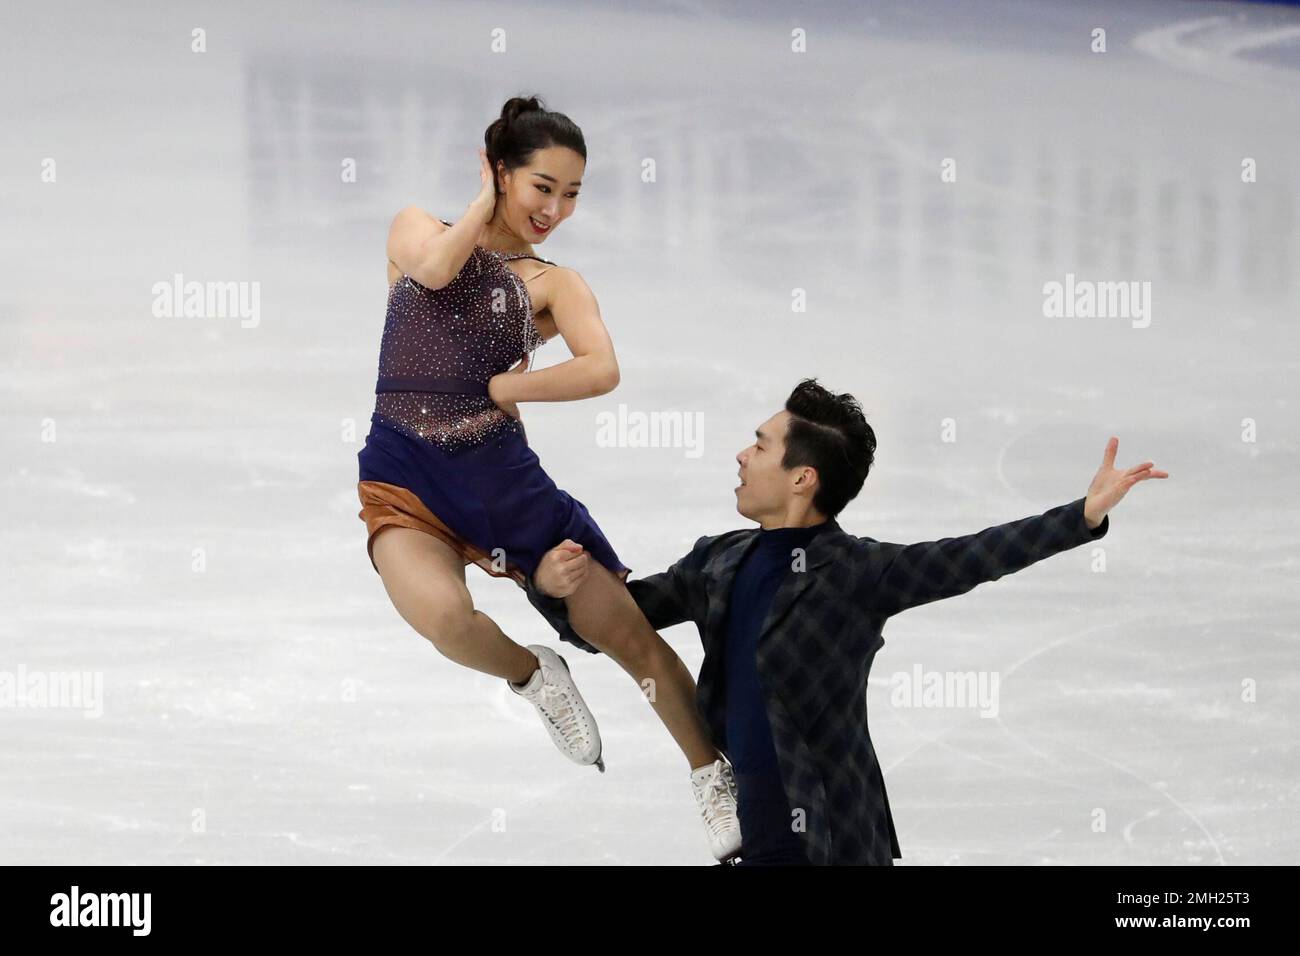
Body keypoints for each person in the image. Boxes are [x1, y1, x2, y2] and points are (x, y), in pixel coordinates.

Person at [527, 378, 1168, 864]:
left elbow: (973, 558)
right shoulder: (716, 561)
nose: (742, 456)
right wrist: (552, 589)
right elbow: (615, 628)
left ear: (802, 477)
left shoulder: (858, 574)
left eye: (759, 444)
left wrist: (1080, 517)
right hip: (752, 829)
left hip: (833, 833)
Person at [356, 94, 741, 861]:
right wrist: (481, 203)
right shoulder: (415, 231)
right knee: (444, 622)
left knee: (633, 641)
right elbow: (435, 271)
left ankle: (712, 773)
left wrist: (506, 390)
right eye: (542, 187)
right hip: (403, 476)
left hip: (505, 490)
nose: (557, 209)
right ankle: (536, 675)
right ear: (498, 172)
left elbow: (602, 368)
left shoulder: (553, 285)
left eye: (571, 194)